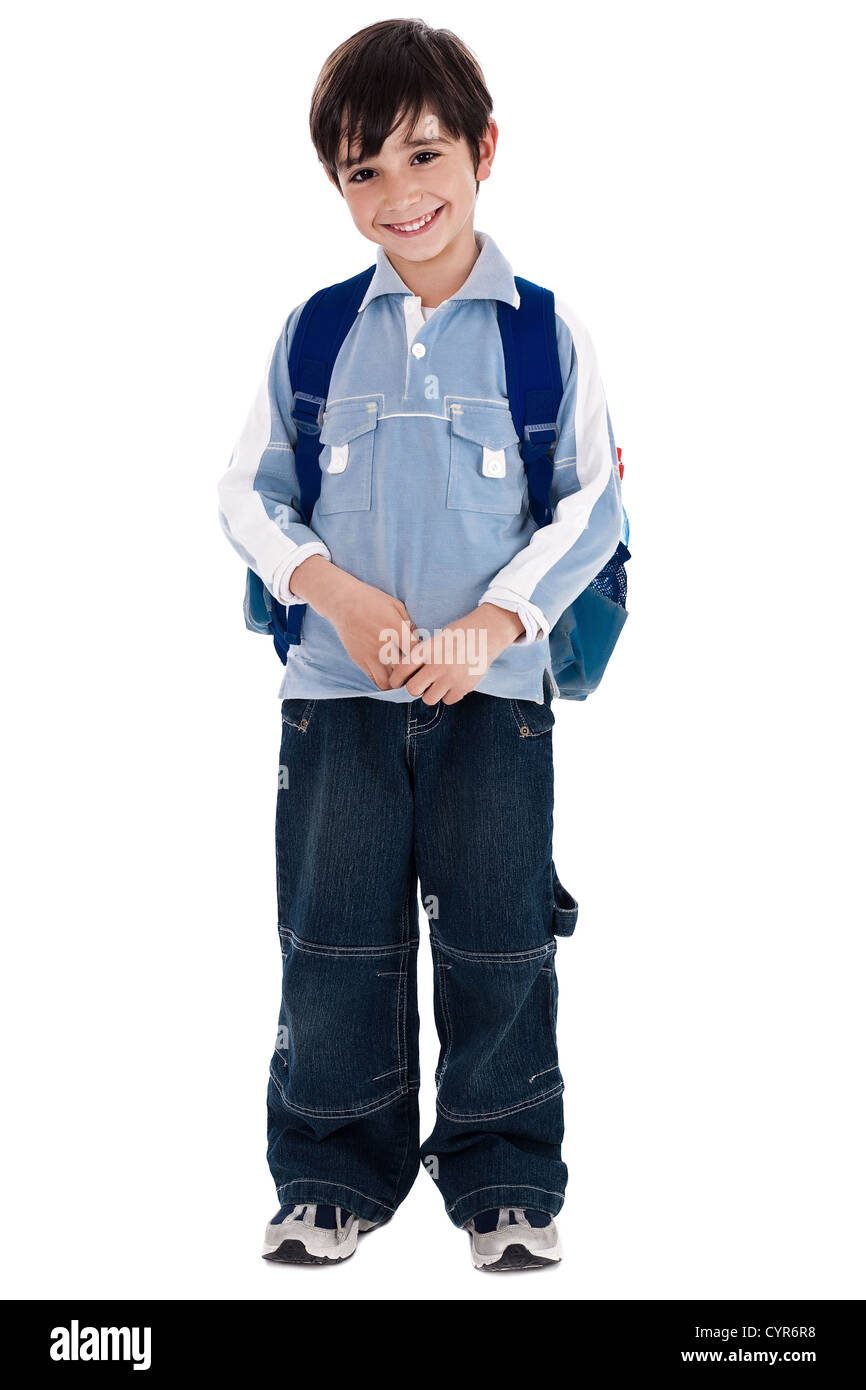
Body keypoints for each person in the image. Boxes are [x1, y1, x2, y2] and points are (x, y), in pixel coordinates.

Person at [218, 18, 623, 1271]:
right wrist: (327, 590)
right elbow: (246, 494)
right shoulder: (315, 332)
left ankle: (505, 1175)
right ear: (336, 186)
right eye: (362, 171)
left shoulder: (541, 336)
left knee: (499, 935)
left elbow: (591, 509)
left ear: (484, 149)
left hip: (495, 698)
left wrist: (493, 625)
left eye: (423, 154)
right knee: (333, 935)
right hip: (334, 697)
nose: (400, 195)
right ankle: (329, 1172)